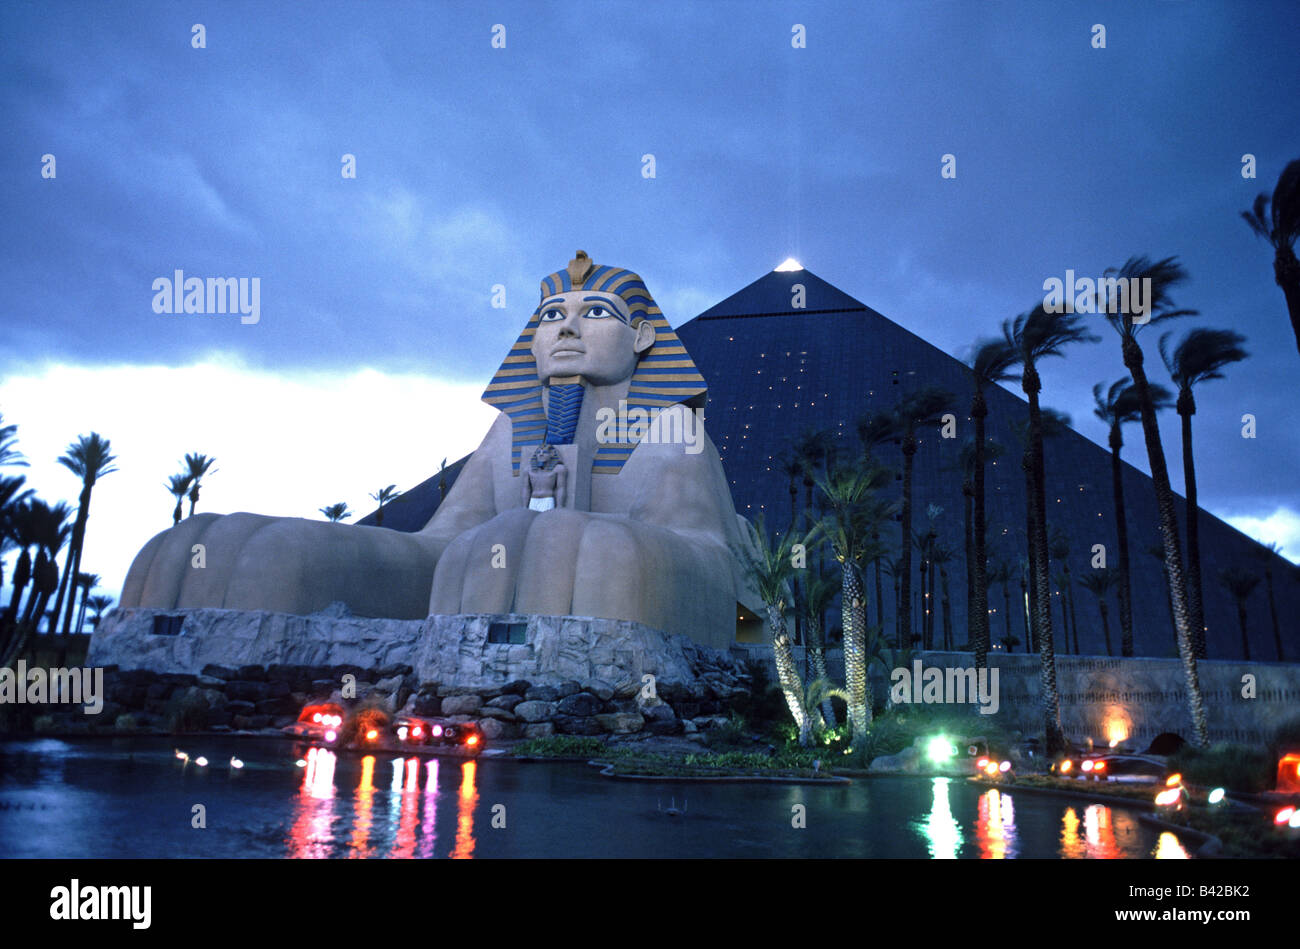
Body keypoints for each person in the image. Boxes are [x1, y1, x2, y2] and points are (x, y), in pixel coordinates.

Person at [119, 251, 759, 648]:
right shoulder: (511, 430)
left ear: (644, 336)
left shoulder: (670, 426)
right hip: (529, 554)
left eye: (594, 312)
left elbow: (709, 559)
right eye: (547, 316)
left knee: (578, 547)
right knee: (271, 551)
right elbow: (444, 544)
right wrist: (297, 557)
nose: (563, 327)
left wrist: (588, 543)